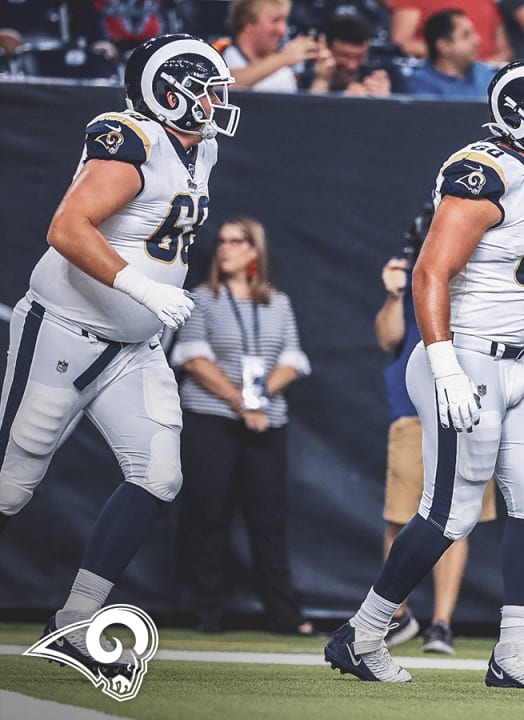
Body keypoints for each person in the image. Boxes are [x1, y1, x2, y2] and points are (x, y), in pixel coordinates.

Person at [323, 58, 524, 688]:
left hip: (521, 362)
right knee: (449, 513)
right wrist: (443, 365)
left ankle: (513, 653)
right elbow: (429, 272)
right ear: (516, 119)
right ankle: (362, 634)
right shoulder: (483, 172)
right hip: (465, 356)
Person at [0, 34, 235, 671]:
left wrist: (148, 304)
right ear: (169, 94)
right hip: (65, 331)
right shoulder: (129, 136)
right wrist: (139, 288)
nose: (217, 104)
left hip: (134, 346)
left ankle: (74, 621)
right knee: (10, 488)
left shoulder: (200, 148)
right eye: (208, 92)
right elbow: (66, 228)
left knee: (158, 476)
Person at [171, 217, 312, 635]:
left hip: (267, 420)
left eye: (236, 242)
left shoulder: (278, 303)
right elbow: (194, 359)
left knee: (268, 520)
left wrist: (257, 400)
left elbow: (292, 359)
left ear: (254, 251)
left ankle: (283, 615)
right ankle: (207, 612)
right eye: (222, 242)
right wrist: (240, 401)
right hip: (211, 419)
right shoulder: (200, 299)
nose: (225, 248)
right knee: (208, 513)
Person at [374, 224, 501, 654]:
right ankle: (398, 613)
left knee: (459, 519)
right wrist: (394, 293)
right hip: (414, 407)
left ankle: (442, 623)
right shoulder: (419, 271)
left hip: (470, 401)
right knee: (400, 513)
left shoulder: (486, 271)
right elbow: (388, 338)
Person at [223, 0, 331, 93]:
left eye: (285, 21)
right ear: (248, 23)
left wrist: (321, 79)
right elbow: (224, 87)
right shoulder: (222, 56)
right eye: (275, 20)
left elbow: (306, 115)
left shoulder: (283, 70)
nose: (282, 30)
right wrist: (284, 58)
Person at [407, 9, 497, 100]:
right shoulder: (419, 84)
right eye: (466, 35)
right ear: (444, 47)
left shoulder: (487, 75)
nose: (477, 41)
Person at [390, 0, 511, 63]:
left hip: (485, 78)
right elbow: (401, 42)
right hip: (437, 78)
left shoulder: (487, 2)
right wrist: (451, 52)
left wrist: (482, 67)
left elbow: (505, 50)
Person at [309, 12, 392, 97]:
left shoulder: (380, 75)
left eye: (359, 57)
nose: (352, 66)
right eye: (345, 55)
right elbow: (311, 110)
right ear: (326, 47)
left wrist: (382, 101)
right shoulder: (304, 75)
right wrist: (322, 80)